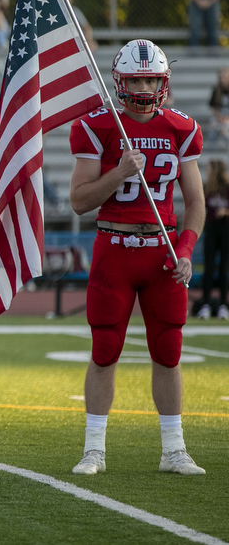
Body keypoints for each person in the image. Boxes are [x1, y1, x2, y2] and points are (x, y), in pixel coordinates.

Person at [68, 39, 205, 476]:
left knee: (168, 349)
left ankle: (174, 449)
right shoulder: (99, 125)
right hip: (115, 248)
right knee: (105, 347)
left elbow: (195, 203)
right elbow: (79, 201)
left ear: (163, 82)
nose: (144, 88)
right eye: (135, 80)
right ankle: (94, 449)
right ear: (119, 82)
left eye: (151, 79)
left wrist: (184, 249)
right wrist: (120, 173)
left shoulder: (182, 127)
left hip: (162, 253)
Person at [199, 159, 229, 320]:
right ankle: (205, 304)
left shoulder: (227, 188)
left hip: (225, 230)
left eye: (209, 168)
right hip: (210, 229)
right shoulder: (206, 188)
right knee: (208, 268)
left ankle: (223, 305)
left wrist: (225, 212)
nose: (207, 171)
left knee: (224, 268)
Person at [208, 66, 229, 144]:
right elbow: (214, 108)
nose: (222, 80)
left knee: (226, 130)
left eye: (225, 77)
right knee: (212, 127)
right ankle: (212, 149)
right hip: (219, 117)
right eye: (221, 77)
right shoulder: (216, 90)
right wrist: (219, 118)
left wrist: (227, 119)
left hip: (228, 118)